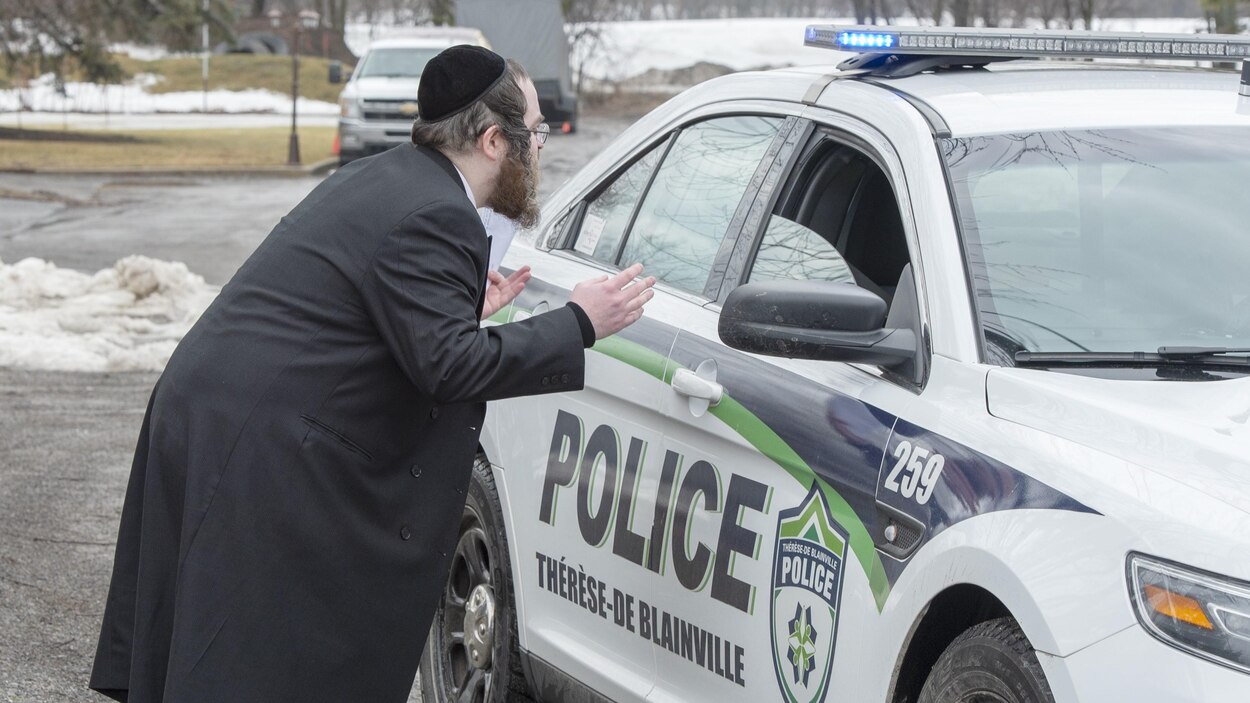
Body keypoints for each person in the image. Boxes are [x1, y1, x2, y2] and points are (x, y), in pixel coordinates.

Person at [88, 45, 655, 703]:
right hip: (256, 441)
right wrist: (579, 321)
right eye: (534, 129)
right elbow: (450, 367)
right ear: (496, 139)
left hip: (227, 414)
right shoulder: (438, 213)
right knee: (254, 662)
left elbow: (376, 310)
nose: (542, 145)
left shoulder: (396, 178)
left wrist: (456, 310)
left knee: (241, 655)